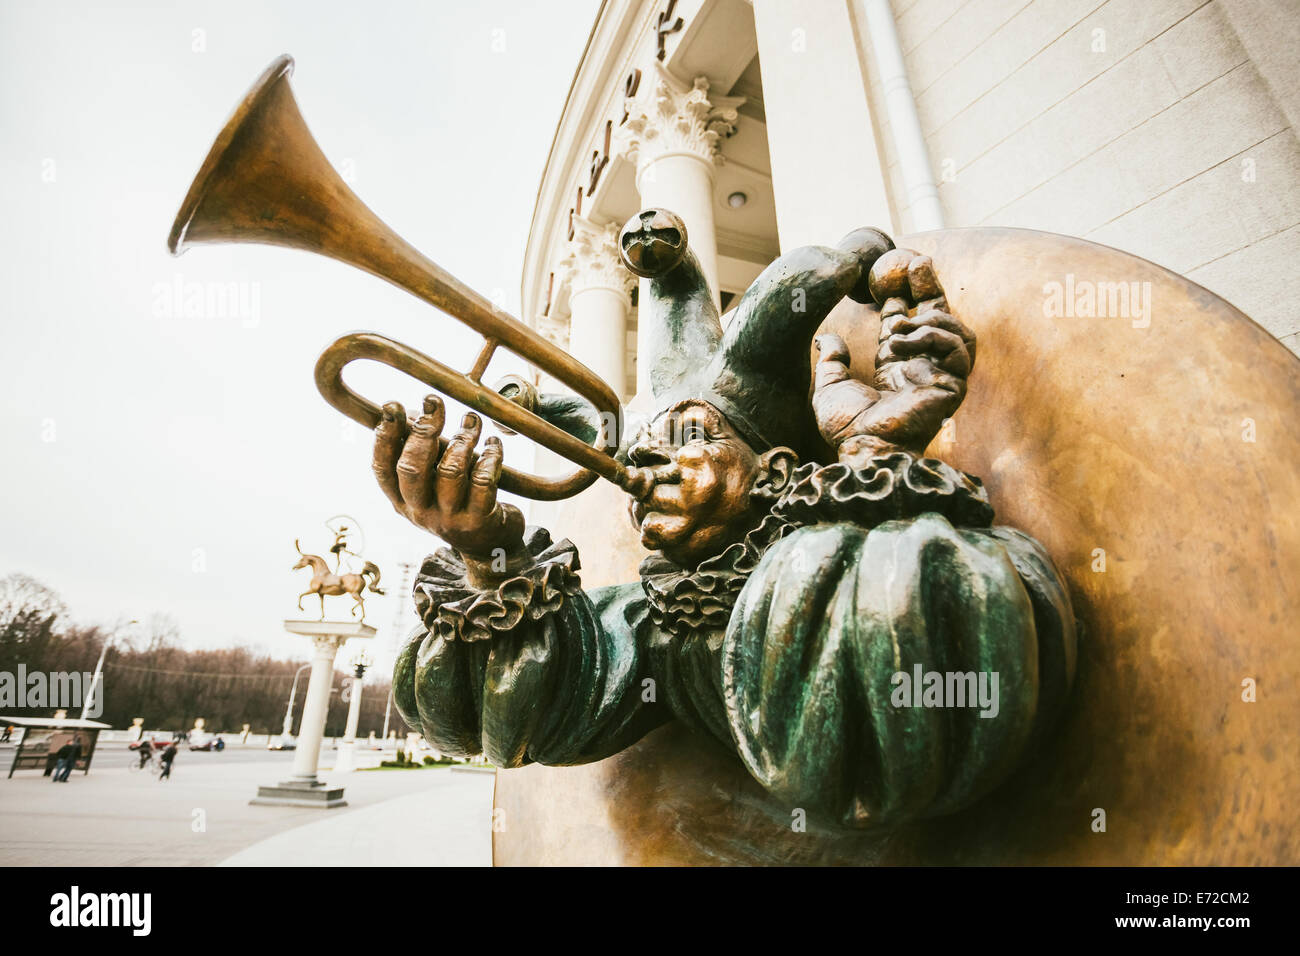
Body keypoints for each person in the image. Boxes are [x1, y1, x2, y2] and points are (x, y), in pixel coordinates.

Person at [379, 210, 1076, 829]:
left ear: (772, 474)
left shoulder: (827, 557)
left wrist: (875, 457)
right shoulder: (655, 627)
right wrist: (486, 556)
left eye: (686, 441)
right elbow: (495, 720)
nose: (645, 470)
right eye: (642, 453)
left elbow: (926, 674)